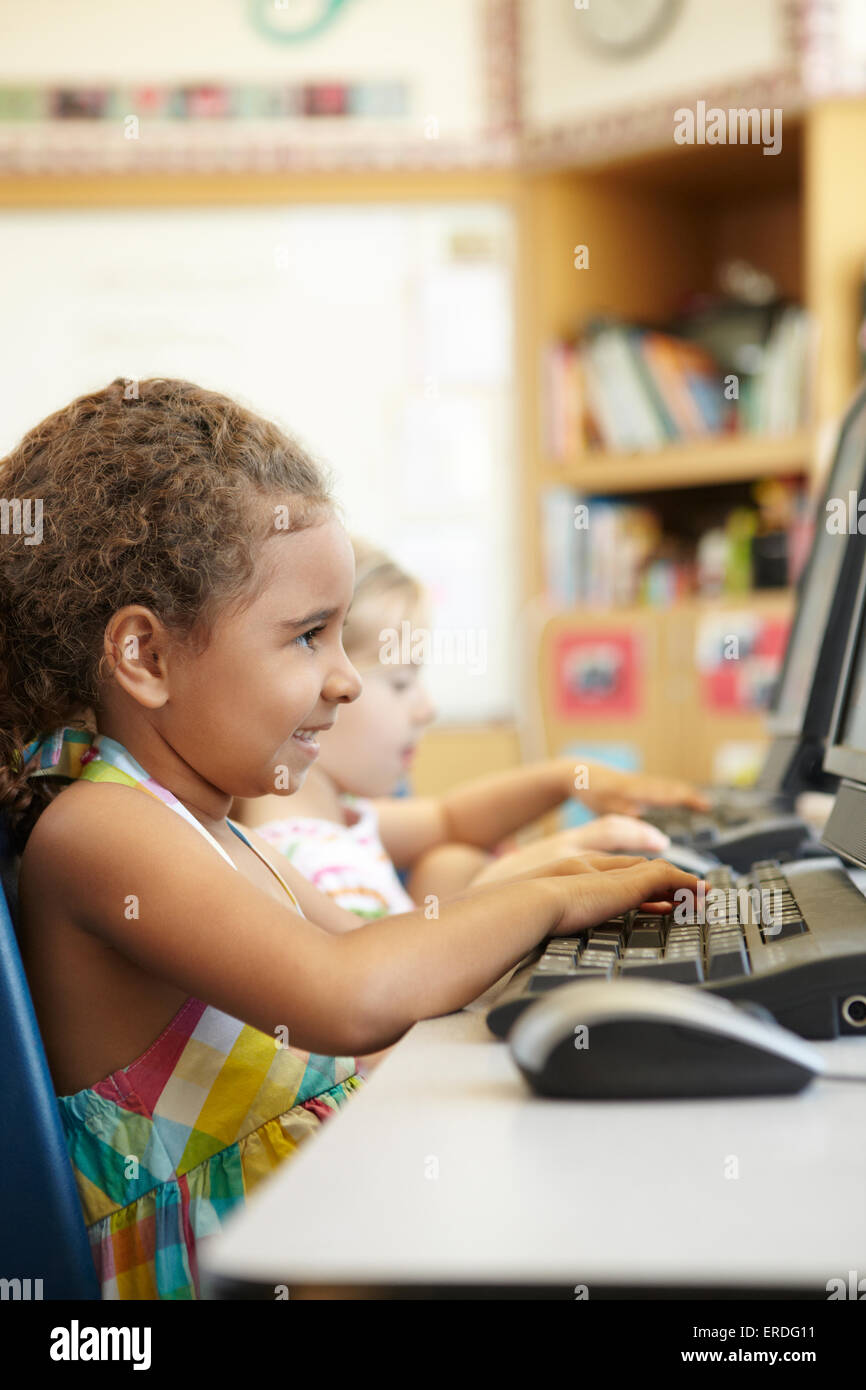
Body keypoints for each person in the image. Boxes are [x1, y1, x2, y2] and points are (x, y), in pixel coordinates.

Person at [0, 378, 700, 1299]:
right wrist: (551, 896)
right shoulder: (97, 828)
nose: (346, 681)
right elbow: (348, 996)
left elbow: (382, 954)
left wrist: (569, 899)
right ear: (147, 657)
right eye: (307, 638)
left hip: (324, 1229)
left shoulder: (209, 828)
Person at [233, 538, 708, 912]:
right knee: (455, 868)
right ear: (324, 688)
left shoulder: (330, 822)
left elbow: (451, 819)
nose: (427, 708)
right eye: (401, 684)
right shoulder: (310, 860)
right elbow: (394, 972)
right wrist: (533, 872)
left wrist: (567, 777)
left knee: (450, 859)